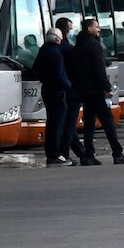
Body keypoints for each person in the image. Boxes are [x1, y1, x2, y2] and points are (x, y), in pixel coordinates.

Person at [69, 18, 124, 165]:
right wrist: (107, 88)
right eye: (96, 26)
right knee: (108, 121)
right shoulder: (94, 45)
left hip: (83, 90)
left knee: (89, 124)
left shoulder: (77, 46)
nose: (99, 29)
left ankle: (88, 155)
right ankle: (117, 153)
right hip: (96, 90)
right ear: (89, 29)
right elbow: (99, 70)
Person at [32, 28, 74, 166]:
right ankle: (55, 155)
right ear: (57, 39)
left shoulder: (43, 50)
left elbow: (35, 69)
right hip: (57, 91)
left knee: (50, 123)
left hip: (46, 89)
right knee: (58, 124)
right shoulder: (56, 53)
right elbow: (60, 75)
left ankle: (50, 154)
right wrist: (69, 87)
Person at [56, 17, 84, 161]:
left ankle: (79, 150)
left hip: (61, 89)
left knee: (68, 123)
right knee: (69, 123)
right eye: (70, 29)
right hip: (71, 89)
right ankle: (65, 152)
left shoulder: (53, 48)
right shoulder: (67, 48)